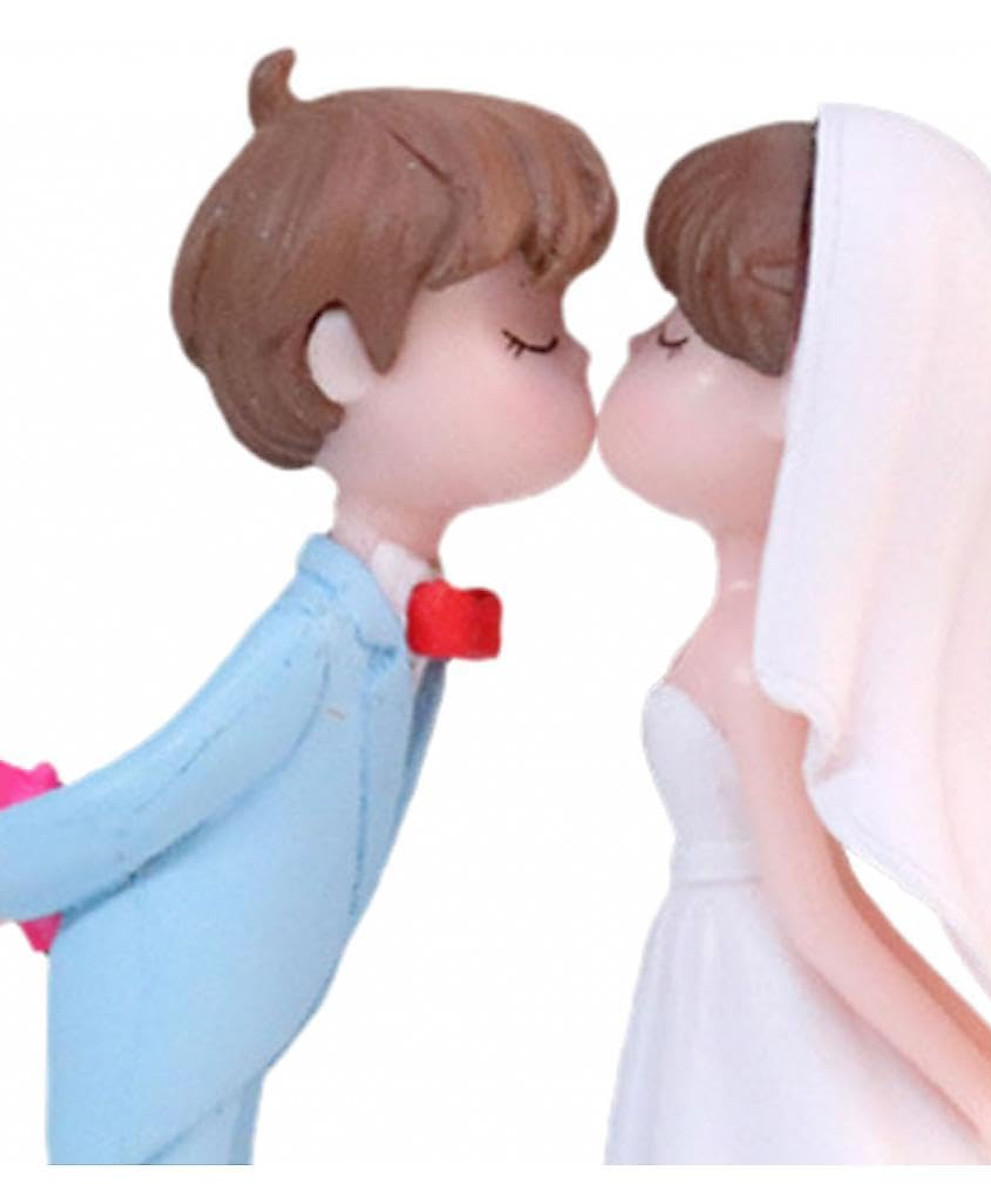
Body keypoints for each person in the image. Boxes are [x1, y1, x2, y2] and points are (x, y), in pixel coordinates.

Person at [0, 48, 615, 1165]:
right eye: (529, 334)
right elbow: (150, 797)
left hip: (237, 1006)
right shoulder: (313, 641)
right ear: (339, 357)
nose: (581, 355)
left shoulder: (391, 616)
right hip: (158, 1004)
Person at [598, 108, 991, 1164]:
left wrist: (975, 1074)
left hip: (749, 985)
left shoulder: (753, 662)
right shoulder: (747, 637)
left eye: (679, 337)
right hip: (720, 971)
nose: (636, 343)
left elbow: (816, 908)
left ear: (804, 407)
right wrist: (974, 1055)